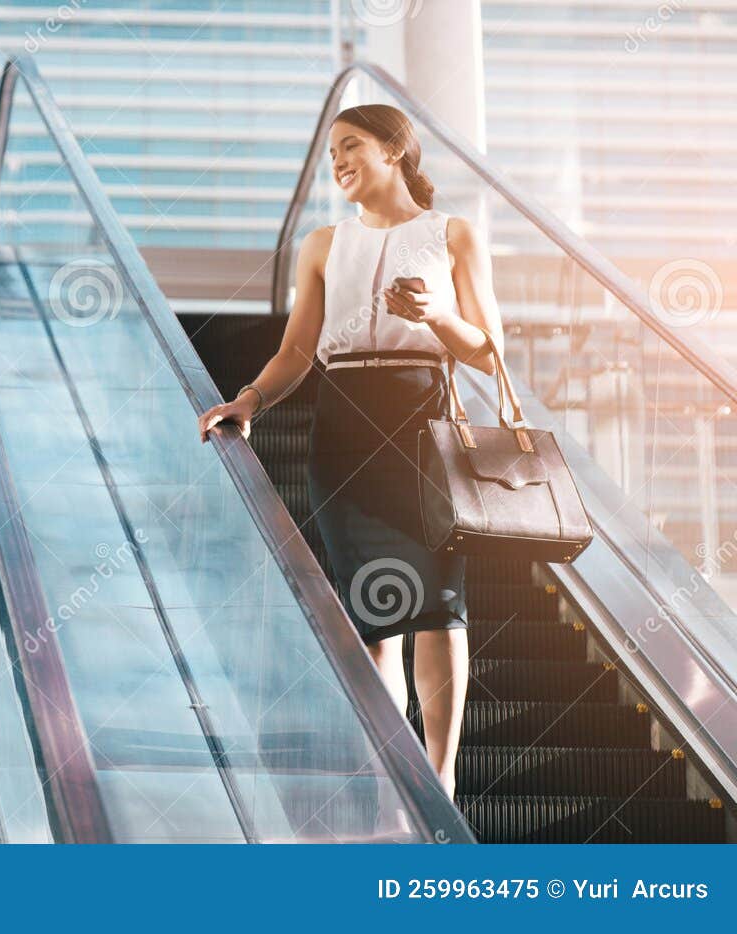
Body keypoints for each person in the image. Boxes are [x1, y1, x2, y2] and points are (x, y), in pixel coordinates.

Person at [197, 104, 504, 800]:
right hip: (344, 429)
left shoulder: (453, 235)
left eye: (352, 145)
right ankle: (390, 765)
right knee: (372, 610)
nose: (338, 161)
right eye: (333, 150)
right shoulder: (323, 243)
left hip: (423, 422)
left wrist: (437, 317)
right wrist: (249, 401)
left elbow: (489, 353)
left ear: (395, 150)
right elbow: (297, 351)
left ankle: (441, 771)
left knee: (437, 602)